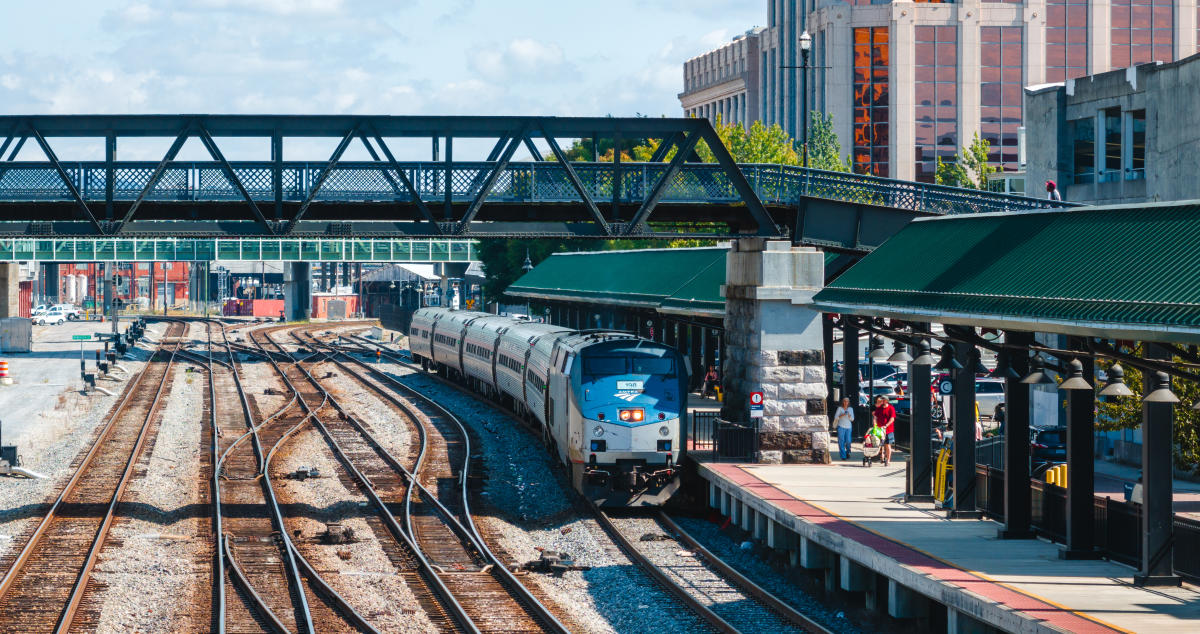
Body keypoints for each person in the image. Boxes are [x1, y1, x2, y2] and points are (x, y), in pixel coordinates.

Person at [874, 395, 897, 466]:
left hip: (888, 430)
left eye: (883, 400)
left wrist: (886, 425)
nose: (882, 401)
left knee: (887, 445)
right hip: (879, 429)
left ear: (886, 401)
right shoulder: (879, 408)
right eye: (881, 400)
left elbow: (892, 419)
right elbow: (875, 417)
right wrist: (875, 425)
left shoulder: (891, 408)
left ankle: (888, 460)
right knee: (879, 444)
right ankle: (882, 457)